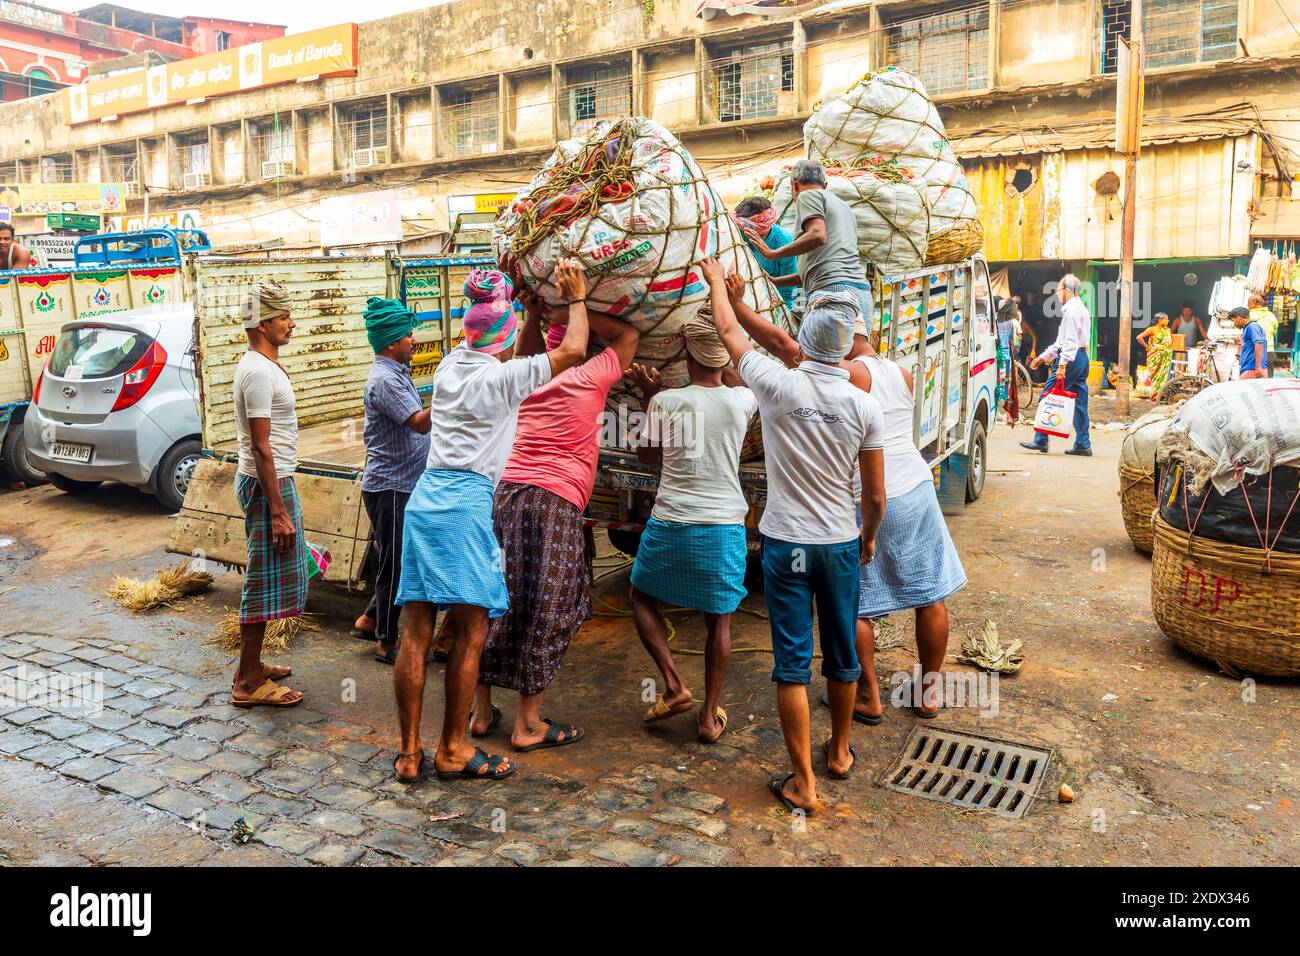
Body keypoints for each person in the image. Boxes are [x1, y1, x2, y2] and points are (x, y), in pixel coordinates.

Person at [391, 261, 590, 784]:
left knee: (415, 631)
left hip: (425, 499)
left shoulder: (451, 368)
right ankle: (453, 749)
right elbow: (570, 352)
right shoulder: (502, 377)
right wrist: (576, 300)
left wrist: (524, 311)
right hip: (466, 504)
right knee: (472, 632)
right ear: (499, 336)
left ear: (466, 328)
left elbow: (516, 356)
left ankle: (410, 753)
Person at [705, 256, 886, 816]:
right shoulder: (863, 404)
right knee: (841, 656)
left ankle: (802, 781)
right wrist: (868, 536)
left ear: (805, 341)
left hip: (785, 545)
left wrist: (718, 285)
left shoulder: (778, 385)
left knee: (791, 664)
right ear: (845, 347)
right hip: (838, 544)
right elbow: (874, 496)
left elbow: (731, 334)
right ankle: (837, 754)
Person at [470, 296, 639, 752]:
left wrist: (537, 316)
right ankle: (528, 724)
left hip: (503, 495)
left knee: (493, 597)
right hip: (553, 503)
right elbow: (629, 336)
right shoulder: (590, 377)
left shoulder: (525, 379)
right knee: (553, 604)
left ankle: (481, 712)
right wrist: (575, 306)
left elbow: (528, 353)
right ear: (582, 349)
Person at [627, 311, 758, 744]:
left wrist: (651, 397)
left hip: (672, 519)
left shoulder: (667, 401)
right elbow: (744, 383)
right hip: (723, 524)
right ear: (722, 357)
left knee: (641, 597)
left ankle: (673, 684)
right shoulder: (742, 401)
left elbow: (648, 456)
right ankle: (707, 717)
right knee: (718, 621)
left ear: (685, 353)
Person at [230, 281, 306, 708]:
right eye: (284, 317)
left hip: (274, 483)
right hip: (266, 487)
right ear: (263, 323)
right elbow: (261, 448)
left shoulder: (263, 364)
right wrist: (278, 510)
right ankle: (247, 683)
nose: (291, 324)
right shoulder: (258, 371)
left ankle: (253, 666)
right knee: (261, 581)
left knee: (275, 574)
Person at [356, 297, 432, 666]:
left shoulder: (396, 372)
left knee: (392, 555)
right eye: (408, 335)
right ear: (391, 342)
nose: (413, 340)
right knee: (394, 562)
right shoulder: (385, 380)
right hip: (392, 488)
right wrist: (458, 397)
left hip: (398, 484)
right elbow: (418, 422)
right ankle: (386, 640)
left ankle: (369, 619)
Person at [740, 159, 873, 327]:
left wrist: (772, 253)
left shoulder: (807, 195)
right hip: (859, 293)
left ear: (794, 185)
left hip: (832, 291)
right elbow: (815, 270)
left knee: (820, 353)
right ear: (825, 185)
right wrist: (773, 281)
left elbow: (818, 235)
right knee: (855, 352)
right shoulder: (843, 207)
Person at [1020, 274, 1092, 456]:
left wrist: (1062, 365)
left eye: (1058, 290)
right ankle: (1083, 444)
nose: (1057, 294)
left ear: (1067, 291)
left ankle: (1041, 440)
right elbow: (1063, 342)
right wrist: (1042, 358)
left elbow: (1068, 341)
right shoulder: (1081, 308)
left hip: (1071, 359)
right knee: (1080, 402)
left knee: (1047, 395)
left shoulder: (1070, 310)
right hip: (1081, 357)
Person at [734, 196, 798, 313]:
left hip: (771, 298)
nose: (750, 237)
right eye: (746, 232)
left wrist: (786, 312)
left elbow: (787, 289)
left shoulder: (784, 242)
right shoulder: (738, 234)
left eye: (758, 235)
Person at [1137, 312, 1173, 392]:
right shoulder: (1152, 329)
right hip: (1154, 355)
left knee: (1162, 375)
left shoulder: (1168, 330)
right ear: (1160, 320)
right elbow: (1139, 337)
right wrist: (1148, 347)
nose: (1168, 321)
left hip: (1165, 356)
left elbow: (1170, 342)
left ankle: (1158, 393)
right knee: (1152, 373)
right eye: (1166, 319)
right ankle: (1148, 391)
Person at [1231, 306, 1268, 380]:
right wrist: (1240, 344)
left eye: (1233, 320)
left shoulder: (1252, 326)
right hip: (1250, 369)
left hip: (1252, 370)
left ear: (1239, 318)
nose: (1233, 324)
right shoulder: (1248, 328)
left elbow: (1259, 344)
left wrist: (1258, 367)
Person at [1248, 294, 1279, 359]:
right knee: (1267, 369)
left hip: (1252, 350)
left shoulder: (1248, 316)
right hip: (1269, 350)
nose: (1247, 305)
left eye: (1249, 303)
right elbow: (1275, 332)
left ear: (1256, 303)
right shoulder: (1271, 316)